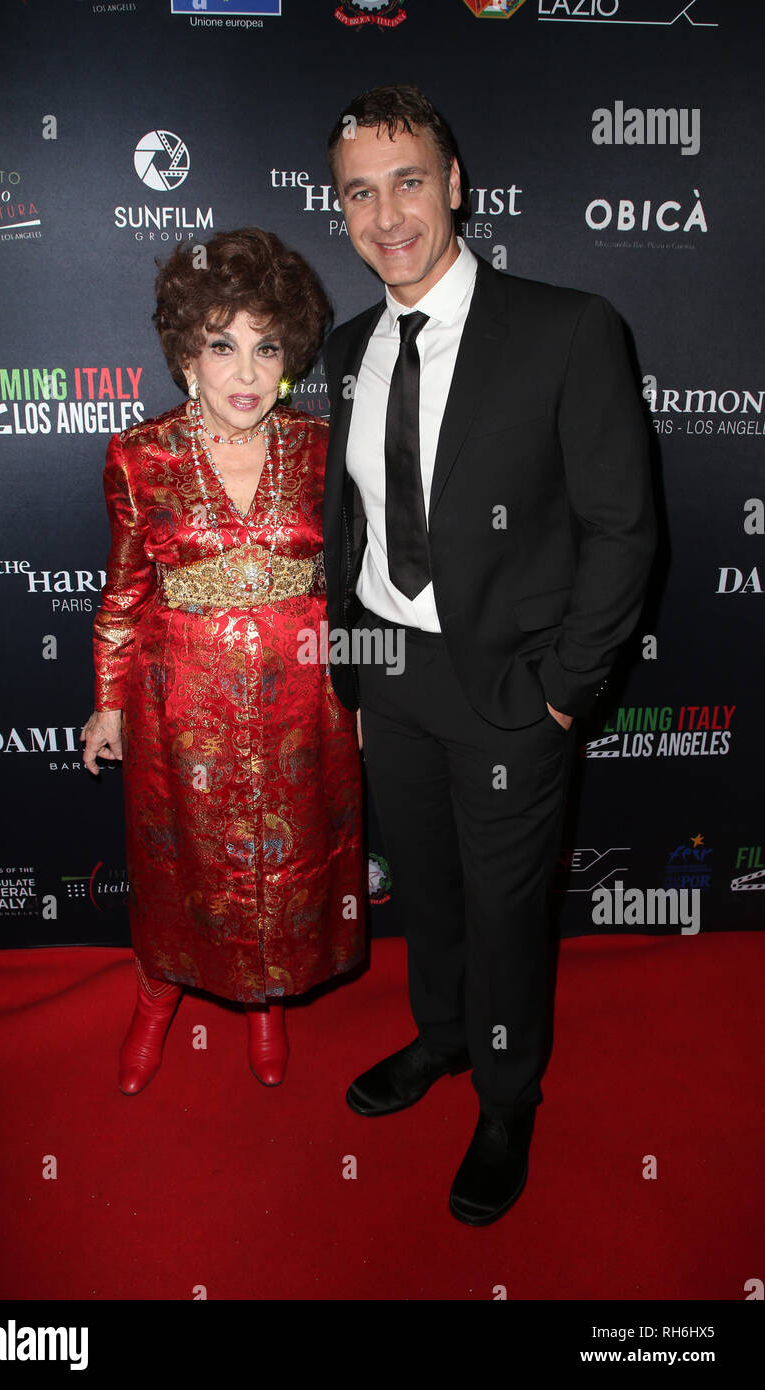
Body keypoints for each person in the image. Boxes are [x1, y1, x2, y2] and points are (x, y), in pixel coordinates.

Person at [323, 86, 656, 1225]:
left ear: (456, 182)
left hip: (514, 690)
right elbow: (354, 530)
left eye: (408, 181)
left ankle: (508, 1098)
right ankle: (444, 1037)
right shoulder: (347, 346)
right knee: (426, 884)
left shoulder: (567, 328)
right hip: (394, 677)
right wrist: (357, 676)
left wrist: (565, 693)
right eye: (360, 193)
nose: (388, 215)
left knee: (509, 911)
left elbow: (625, 528)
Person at [81, 228, 364, 1096]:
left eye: (266, 346)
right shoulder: (140, 456)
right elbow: (126, 593)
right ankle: (157, 995)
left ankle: (266, 1000)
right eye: (222, 345)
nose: (246, 372)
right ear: (186, 355)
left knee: (289, 862)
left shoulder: (324, 450)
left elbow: (360, 587)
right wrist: (108, 702)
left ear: (290, 355)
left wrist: (372, 693)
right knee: (181, 865)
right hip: (181, 708)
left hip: (304, 704)